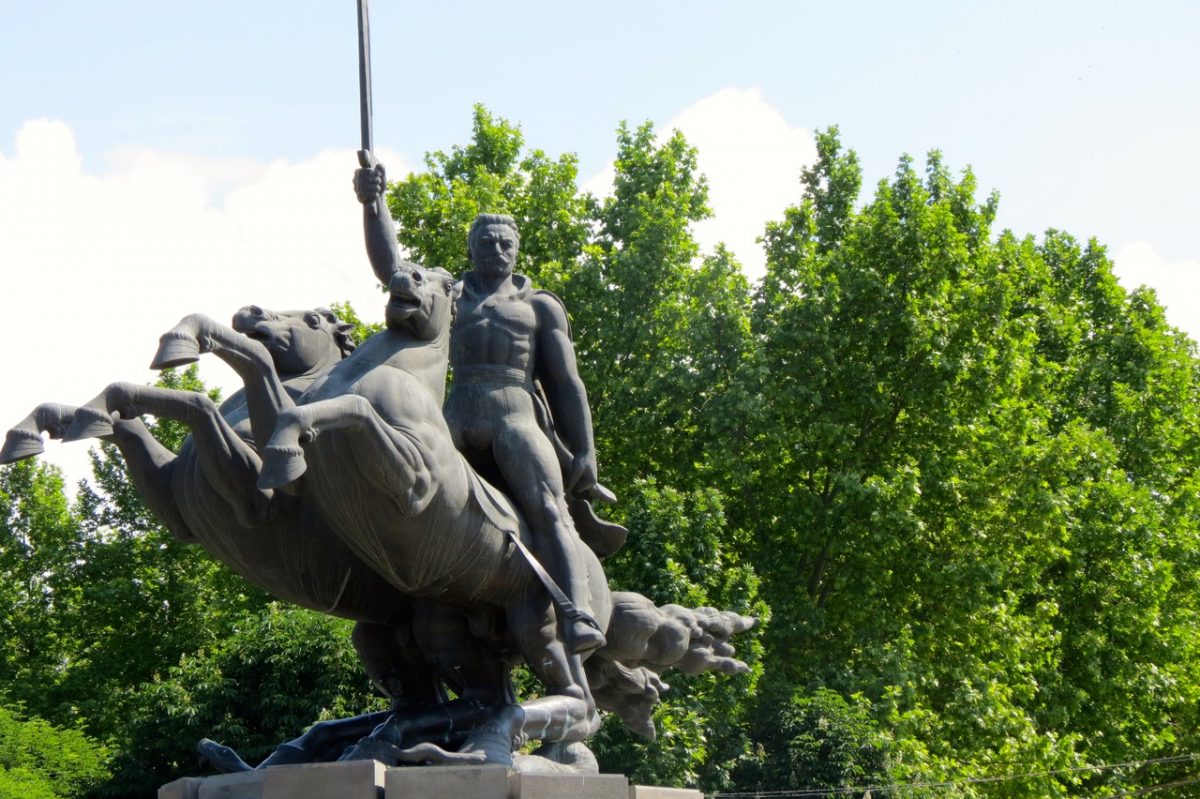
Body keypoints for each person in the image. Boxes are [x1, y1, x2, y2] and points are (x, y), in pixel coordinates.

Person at [354, 163, 606, 654]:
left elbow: (566, 382)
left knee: (550, 508)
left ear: (516, 249)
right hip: (455, 422)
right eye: (487, 241)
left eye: (505, 242)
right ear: (471, 247)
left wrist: (585, 451)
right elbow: (395, 271)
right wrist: (373, 203)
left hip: (514, 416)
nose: (497, 249)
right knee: (411, 500)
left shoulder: (539, 304)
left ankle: (578, 612)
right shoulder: (451, 292)